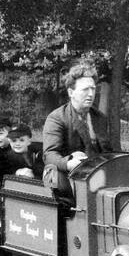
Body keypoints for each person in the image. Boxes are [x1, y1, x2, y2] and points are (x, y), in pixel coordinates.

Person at [42, 62, 110, 202]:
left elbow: (108, 151)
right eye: (85, 89)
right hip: (69, 179)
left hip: (100, 175)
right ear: (71, 92)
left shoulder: (100, 118)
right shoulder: (56, 118)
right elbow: (49, 155)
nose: (91, 94)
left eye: (93, 89)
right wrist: (67, 163)